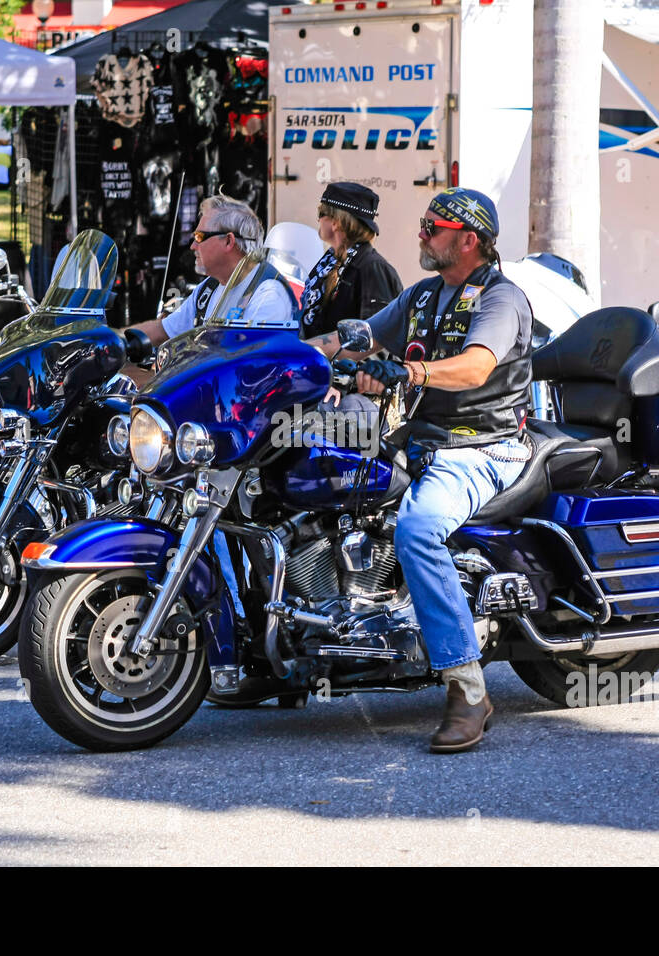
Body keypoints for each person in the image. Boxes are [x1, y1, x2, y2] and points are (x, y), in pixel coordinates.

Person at [307, 187, 534, 754]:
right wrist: (287, 358)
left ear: (469, 238)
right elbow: (352, 339)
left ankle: (468, 688)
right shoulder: (423, 295)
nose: (422, 233)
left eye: (434, 226)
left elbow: (477, 367)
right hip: (417, 442)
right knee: (307, 468)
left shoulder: (500, 299)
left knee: (418, 528)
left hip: (480, 447)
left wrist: (409, 373)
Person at [132, 192, 296, 348]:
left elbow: (251, 362)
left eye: (199, 237)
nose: (193, 246)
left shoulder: (267, 293)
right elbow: (163, 331)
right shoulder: (209, 288)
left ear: (228, 241)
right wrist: (117, 342)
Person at [300, 182, 402, 339]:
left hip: (343, 363)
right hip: (318, 360)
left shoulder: (372, 268)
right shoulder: (329, 262)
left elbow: (376, 342)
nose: (318, 220)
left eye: (321, 214)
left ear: (335, 222)